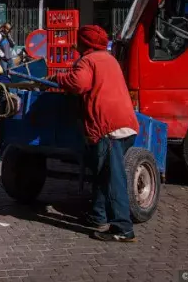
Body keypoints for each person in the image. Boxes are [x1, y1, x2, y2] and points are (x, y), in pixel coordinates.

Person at [48, 25, 139, 243]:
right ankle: (98, 216)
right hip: (126, 124)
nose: (76, 46)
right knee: (102, 174)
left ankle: (122, 228)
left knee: (112, 179)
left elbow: (79, 84)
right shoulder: (110, 59)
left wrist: (58, 78)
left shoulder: (87, 61)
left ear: (85, 44)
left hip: (109, 128)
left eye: (78, 42)